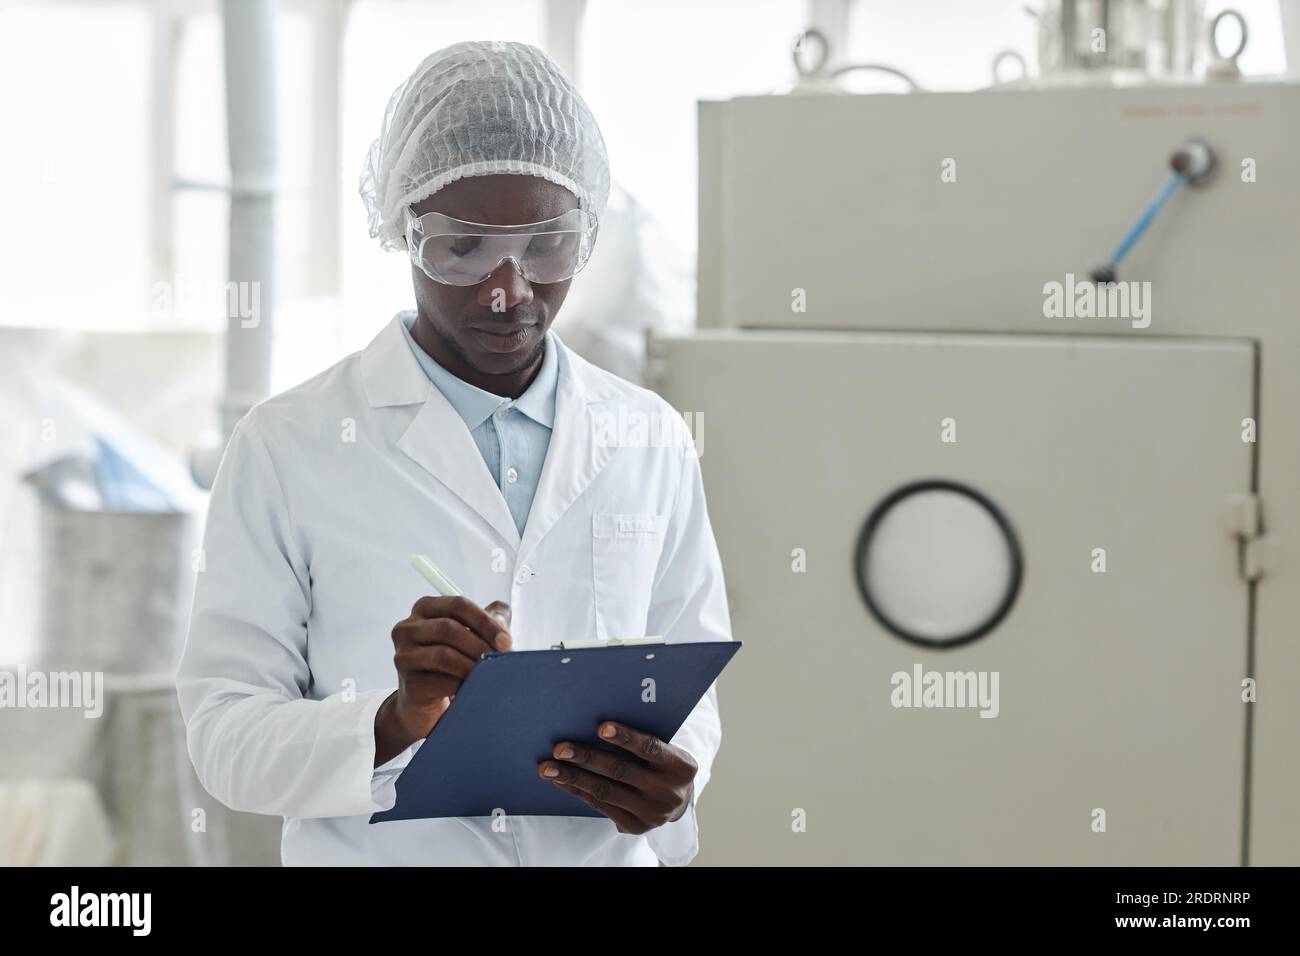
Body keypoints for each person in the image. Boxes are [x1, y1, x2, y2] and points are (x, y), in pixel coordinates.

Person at [176, 40, 732, 866]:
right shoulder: (288, 446)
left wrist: (674, 783)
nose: (507, 289)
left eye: (546, 245)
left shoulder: (648, 436)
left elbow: (690, 695)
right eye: (462, 247)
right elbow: (225, 736)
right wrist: (393, 720)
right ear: (402, 230)